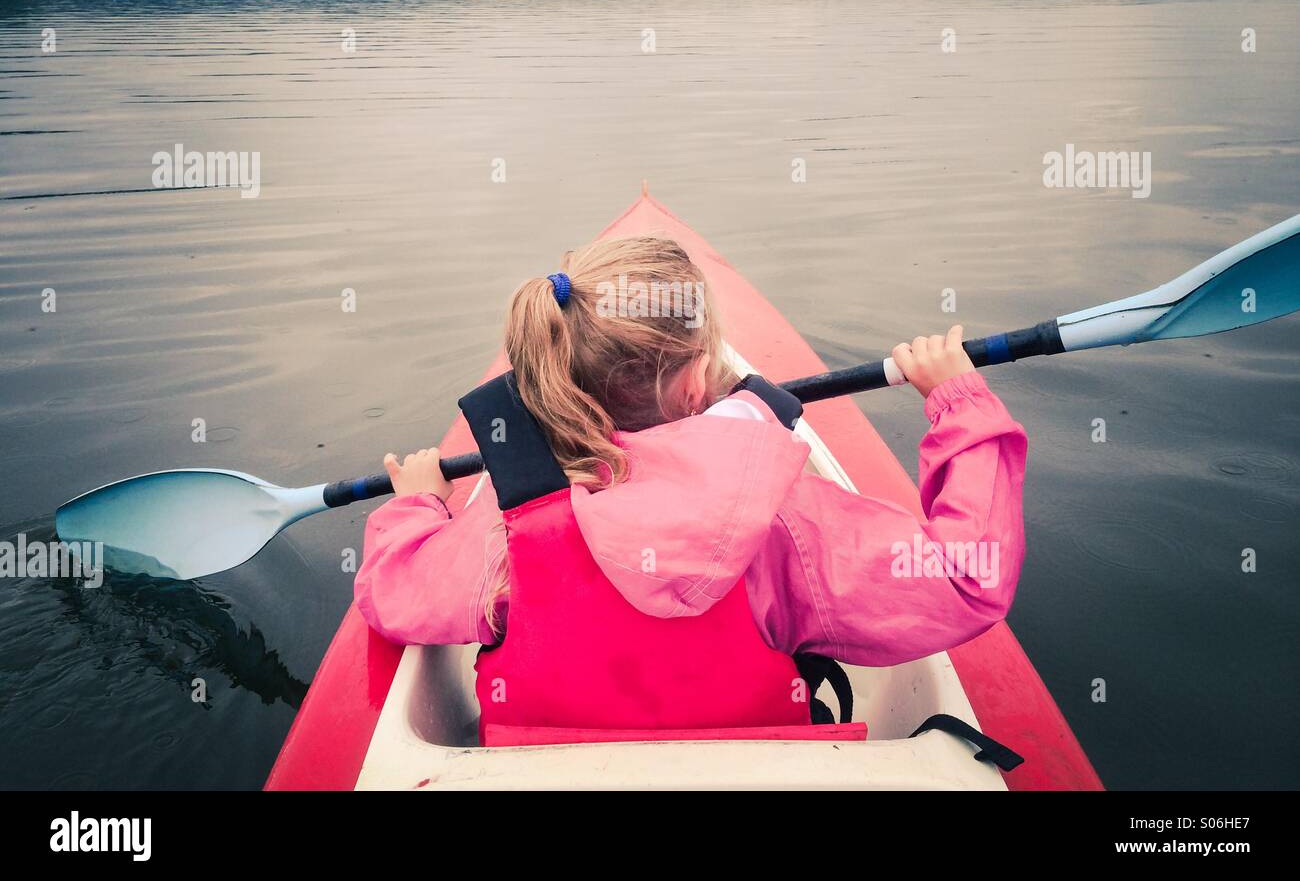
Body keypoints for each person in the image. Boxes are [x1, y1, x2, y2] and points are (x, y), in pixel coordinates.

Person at [354, 235, 1026, 735]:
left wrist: (416, 501)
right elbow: (969, 579)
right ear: (697, 385)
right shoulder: (785, 519)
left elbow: (390, 591)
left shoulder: (508, 522)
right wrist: (958, 403)